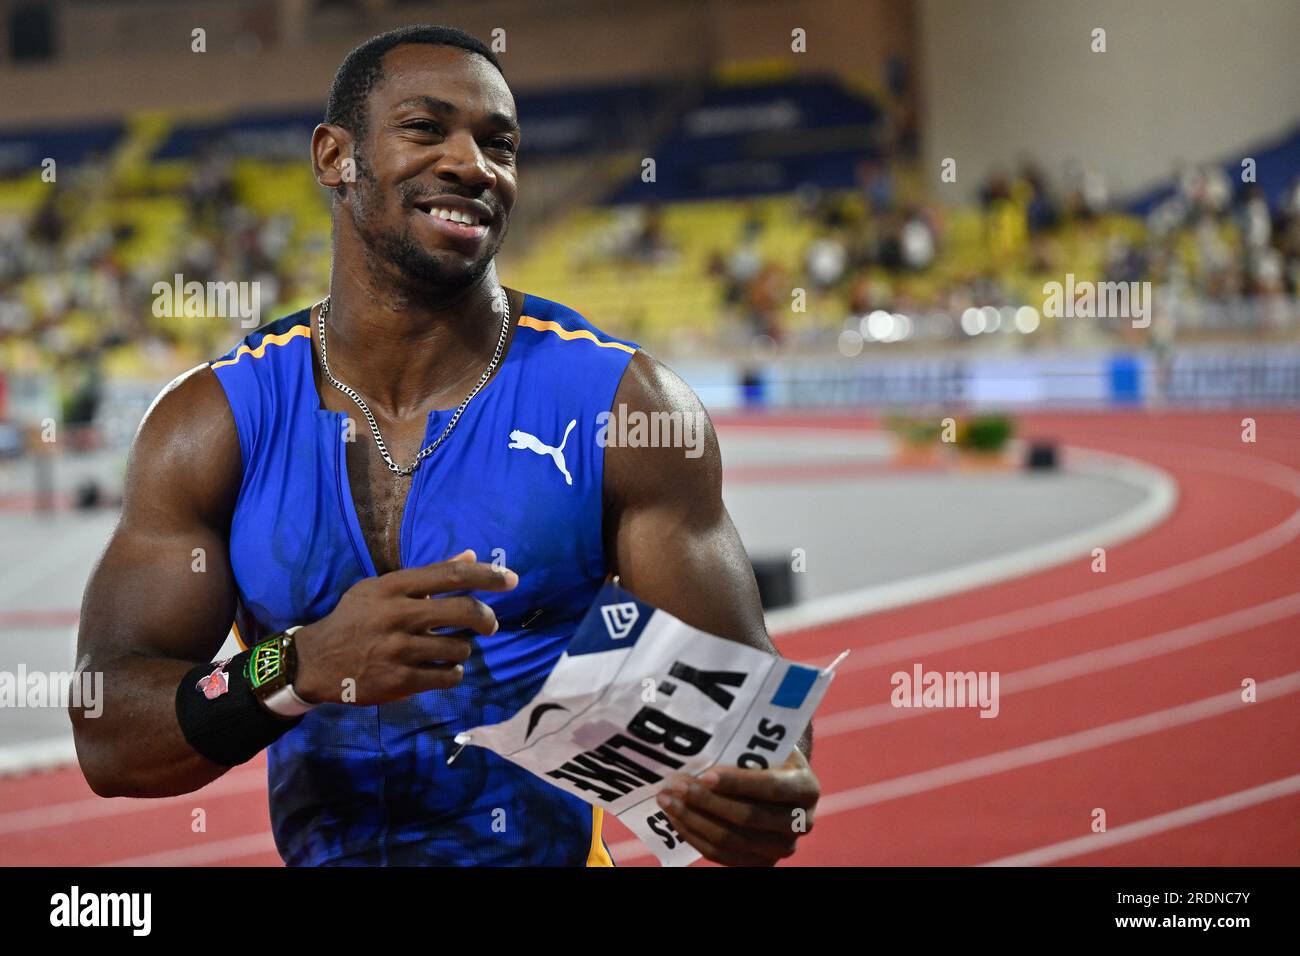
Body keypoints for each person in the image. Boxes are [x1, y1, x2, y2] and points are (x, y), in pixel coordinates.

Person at [70, 25, 819, 867]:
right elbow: (107, 736)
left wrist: (767, 795)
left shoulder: (624, 405)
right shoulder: (211, 421)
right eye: (427, 129)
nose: (474, 164)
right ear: (334, 157)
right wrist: (299, 666)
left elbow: (756, 725)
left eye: (499, 144)